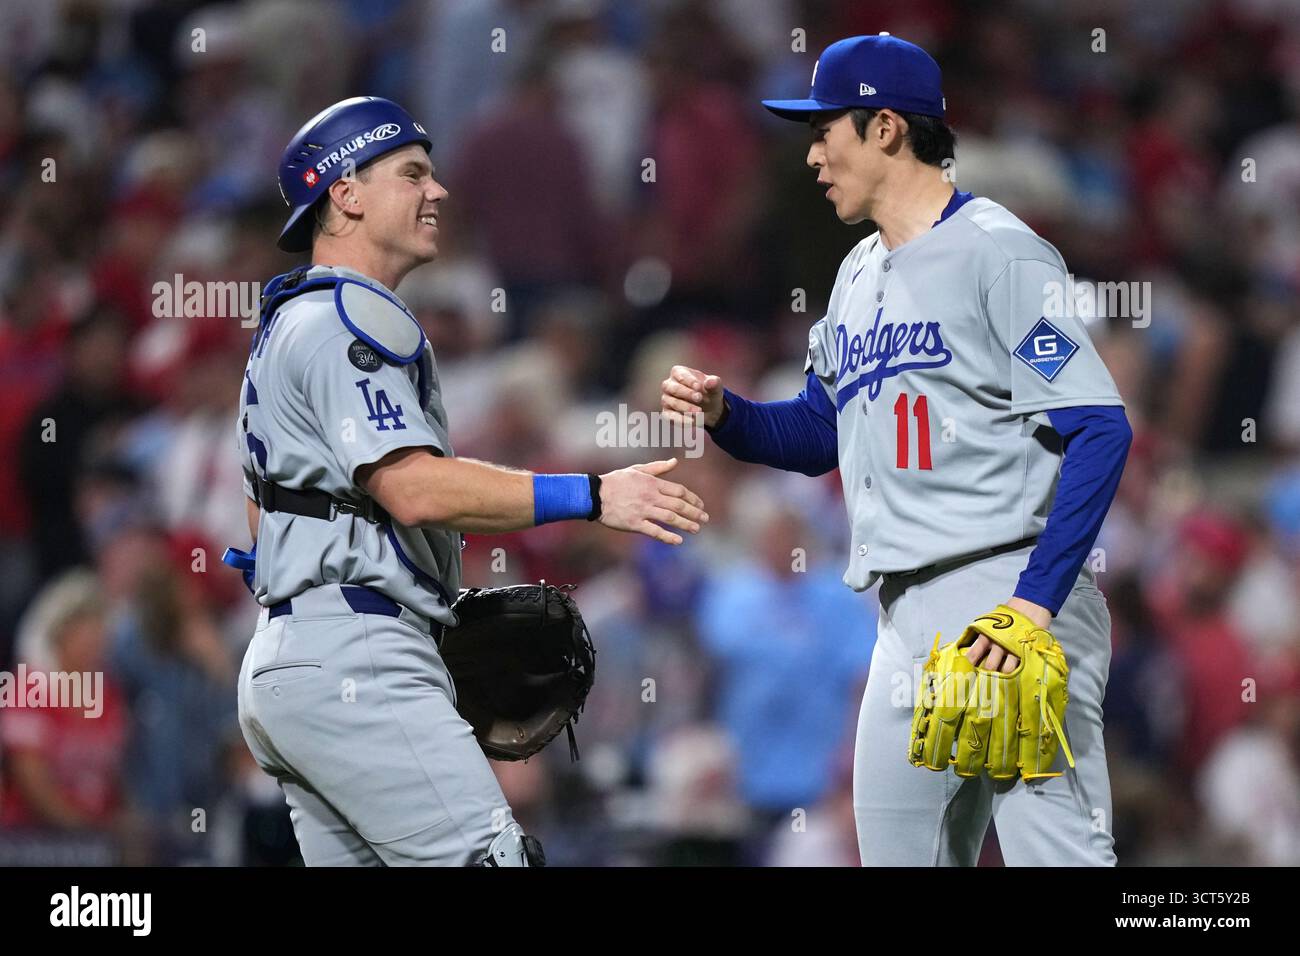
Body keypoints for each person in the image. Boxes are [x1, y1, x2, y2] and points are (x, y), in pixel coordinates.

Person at [661, 35, 1132, 866]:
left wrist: (1035, 604)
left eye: (824, 130)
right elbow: (817, 436)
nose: (812, 155)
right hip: (897, 614)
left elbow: (1100, 427)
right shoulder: (856, 275)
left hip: (1005, 591)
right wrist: (727, 414)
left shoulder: (1000, 251)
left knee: (1057, 858)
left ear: (885, 127)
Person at [231, 96, 707, 867]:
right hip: (356, 650)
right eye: (412, 172)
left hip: (291, 661)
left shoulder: (288, 322)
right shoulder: (349, 316)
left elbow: (263, 521)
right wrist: (591, 496)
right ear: (345, 194)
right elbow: (412, 489)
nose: (438, 191)